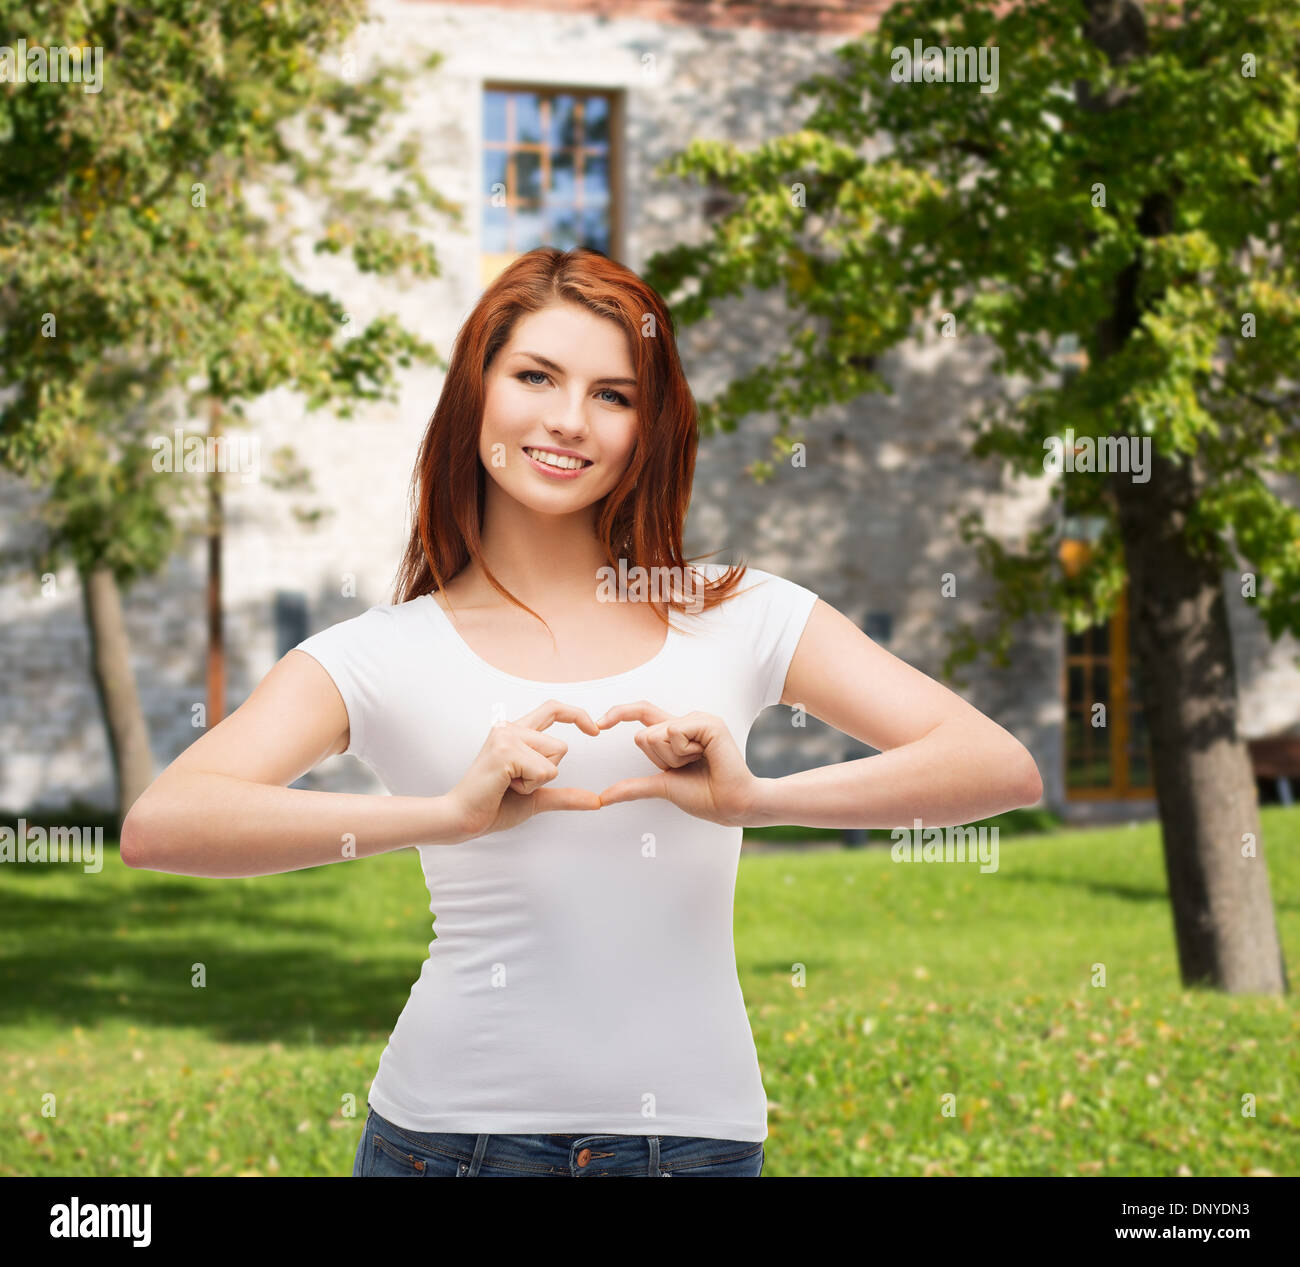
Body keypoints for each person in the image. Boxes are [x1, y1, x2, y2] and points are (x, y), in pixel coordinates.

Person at [121, 246, 1043, 1177]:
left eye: (613, 393)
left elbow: (994, 763)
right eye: (535, 376)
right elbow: (165, 823)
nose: (569, 419)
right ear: (476, 393)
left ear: (652, 425)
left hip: (695, 1142)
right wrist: (445, 815)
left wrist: (753, 800)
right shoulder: (381, 650)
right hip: (450, 1140)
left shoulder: (740, 612)